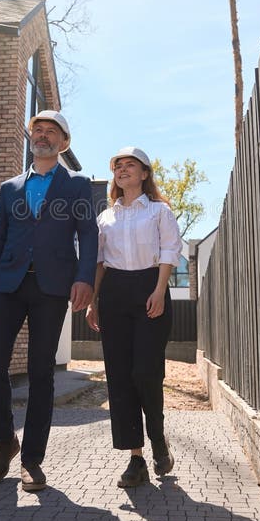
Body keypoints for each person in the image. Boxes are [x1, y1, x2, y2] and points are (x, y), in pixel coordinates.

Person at [0, 110, 98, 491]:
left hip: (52, 287)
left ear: (63, 141)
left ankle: (31, 459)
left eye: (51, 131)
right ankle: (5, 441)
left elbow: (88, 235)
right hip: (7, 284)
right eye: (37, 130)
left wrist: (84, 278)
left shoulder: (76, 185)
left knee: (41, 371)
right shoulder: (9, 187)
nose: (42, 135)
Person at [86, 147, 182, 488]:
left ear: (144, 174)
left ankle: (158, 439)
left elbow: (170, 251)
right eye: (118, 166)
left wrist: (158, 290)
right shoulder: (105, 218)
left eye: (130, 165)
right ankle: (136, 457)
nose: (123, 170)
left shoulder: (159, 211)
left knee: (145, 372)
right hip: (113, 294)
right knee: (120, 378)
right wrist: (93, 301)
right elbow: (99, 262)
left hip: (149, 287)